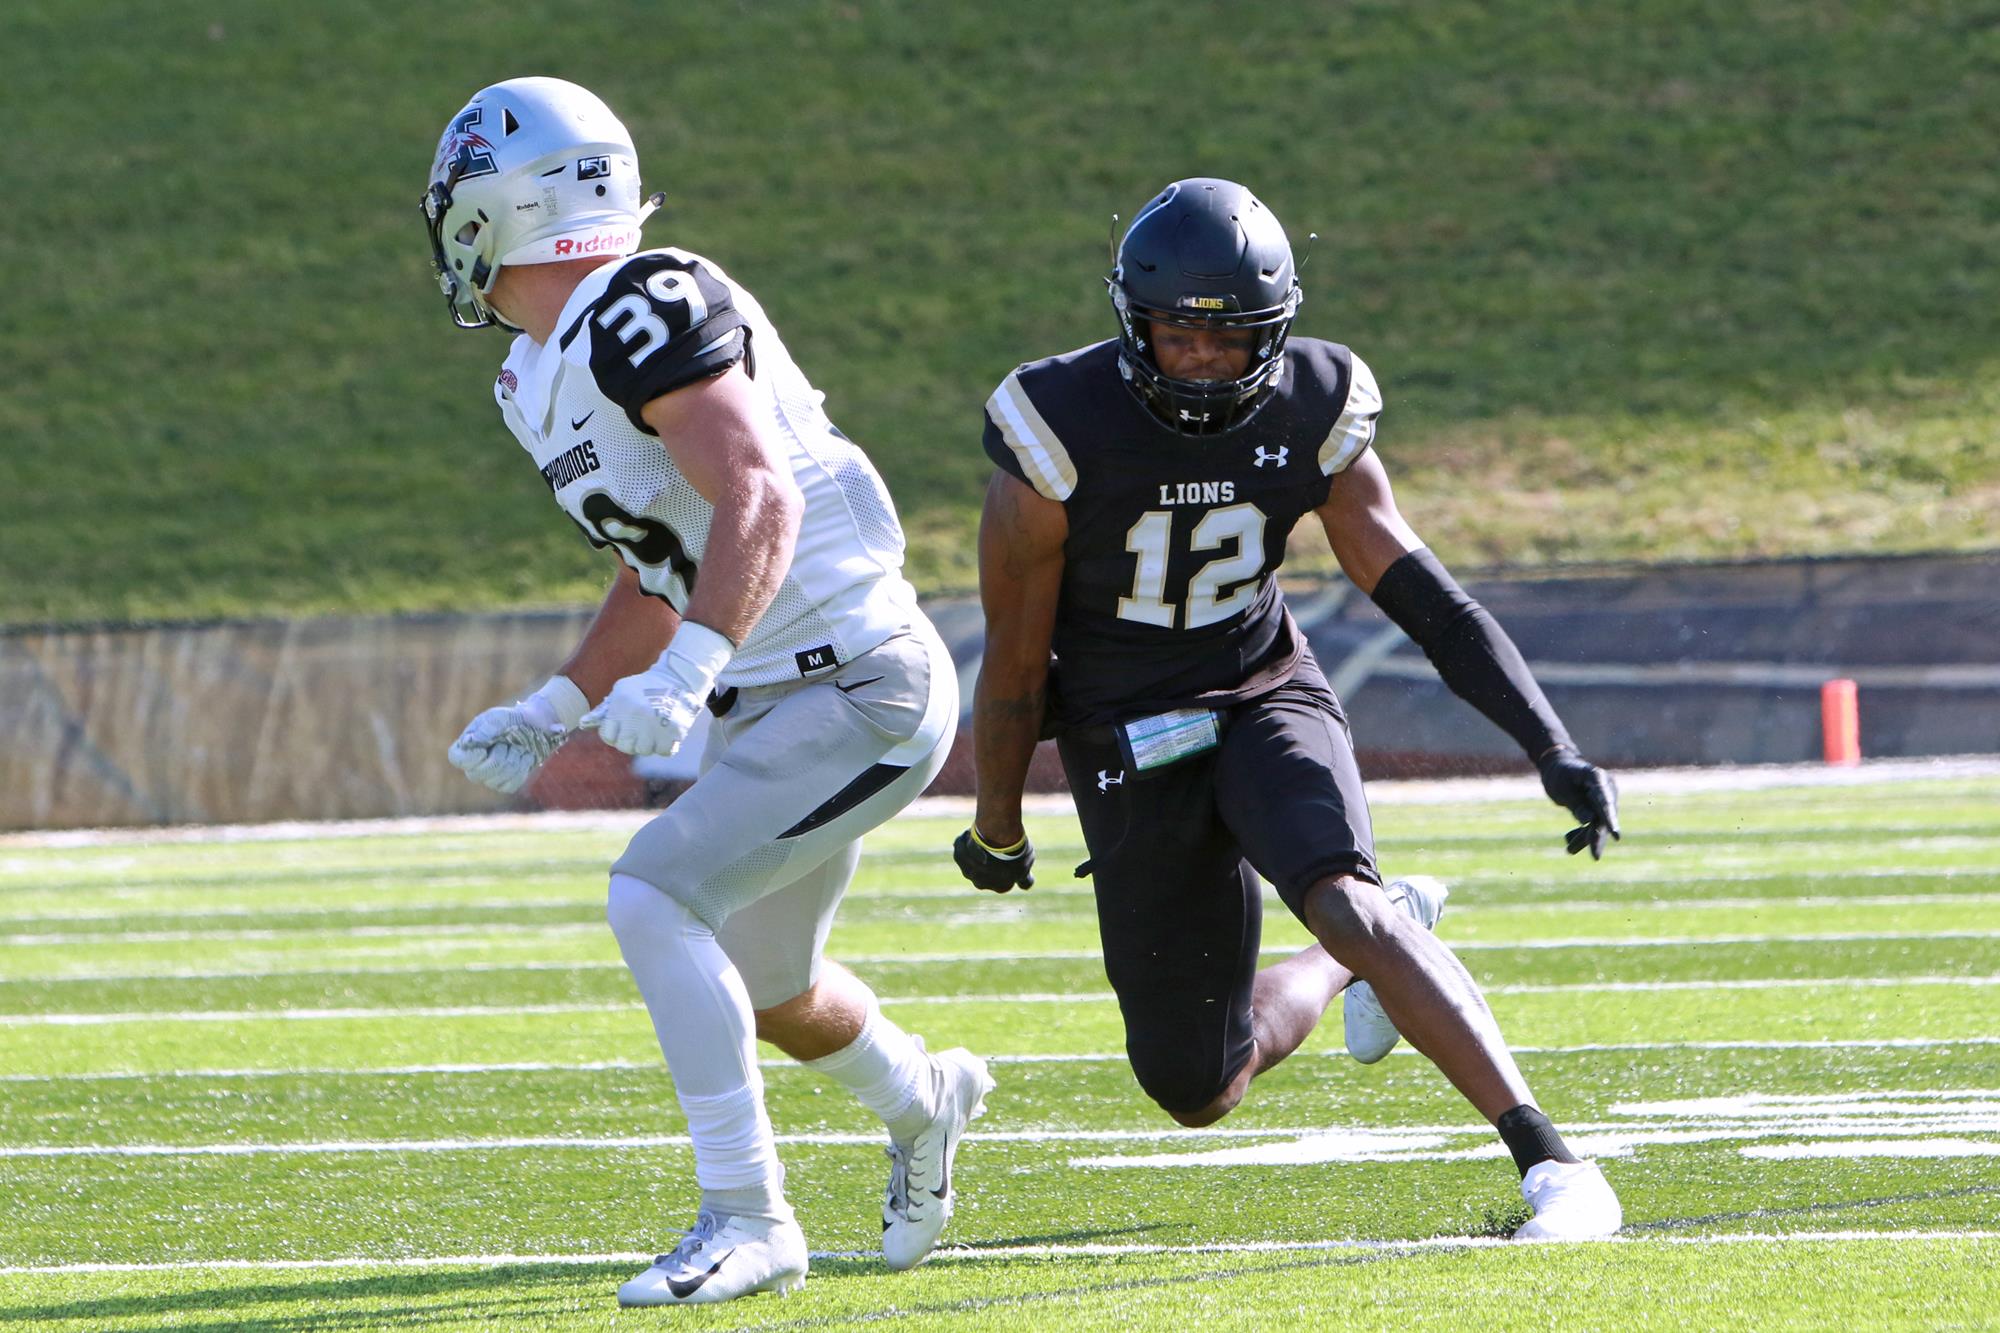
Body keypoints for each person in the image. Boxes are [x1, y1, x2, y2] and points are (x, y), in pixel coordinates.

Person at [954, 178, 1623, 1240]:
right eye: (1180, 336)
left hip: (1263, 687)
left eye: (1234, 340)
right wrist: (997, 817)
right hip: (1123, 728)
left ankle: (1553, 1164)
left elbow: (1424, 597)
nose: (1208, 362)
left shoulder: (1315, 404)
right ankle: (1355, 951)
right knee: (1194, 1086)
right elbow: (1015, 660)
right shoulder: (1057, 427)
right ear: (1134, 322)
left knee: (1341, 897)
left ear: (1280, 327)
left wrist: (1549, 744)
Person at [422, 77, 992, 1305]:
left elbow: (760, 492)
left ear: (496, 205)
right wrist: (555, 705)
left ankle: (747, 1216)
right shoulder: (533, 376)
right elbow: (654, 563)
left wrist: (687, 671)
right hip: (773, 700)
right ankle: (928, 1098)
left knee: (648, 895)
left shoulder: (642, 299)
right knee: (773, 984)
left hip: (858, 678)